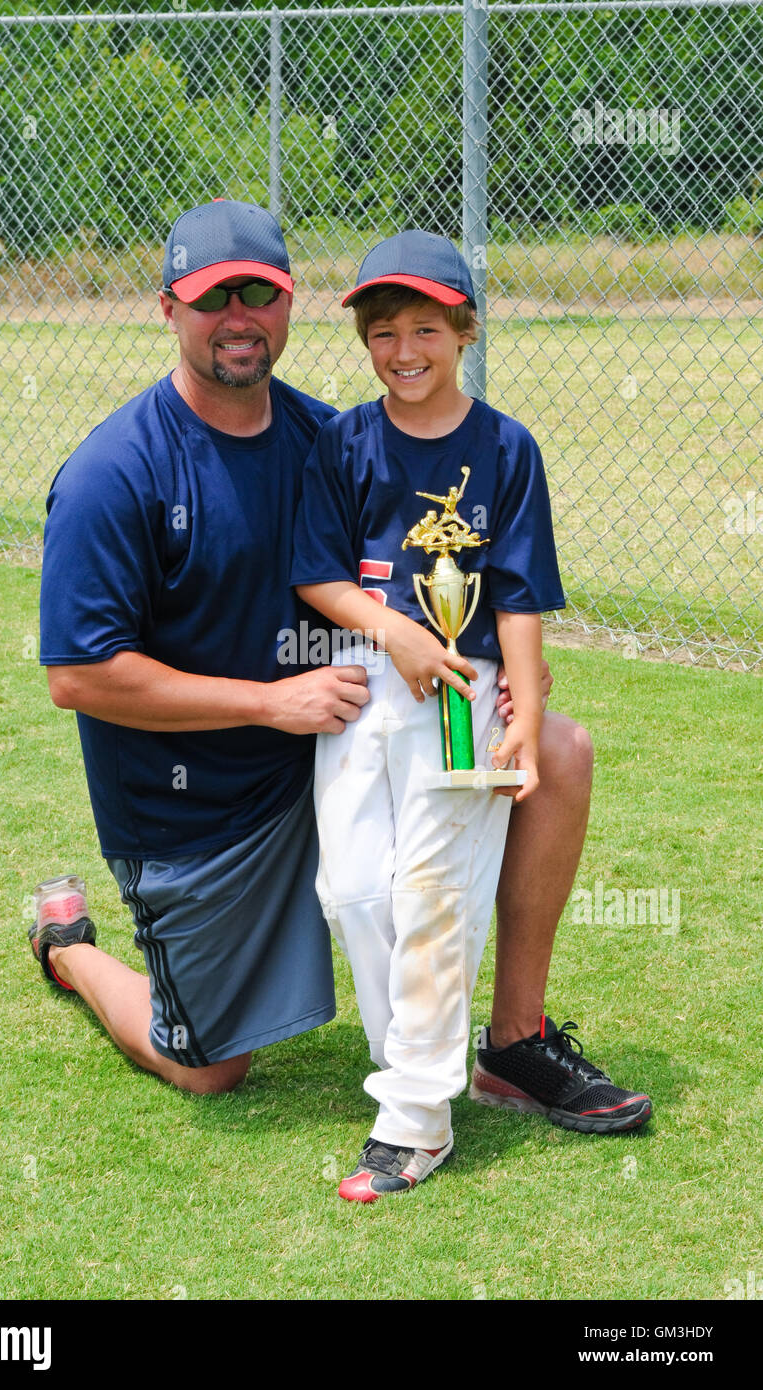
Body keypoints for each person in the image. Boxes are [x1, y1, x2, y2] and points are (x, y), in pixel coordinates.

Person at [29, 200, 643, 1151]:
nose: (238, 315)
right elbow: (80, 677)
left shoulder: (337, 439)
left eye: (260, 294)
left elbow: (464, 569)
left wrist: (509, 672)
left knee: (555, 752)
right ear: (166, 310)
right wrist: (272, 703)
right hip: (204, 812)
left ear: (288, 305)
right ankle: (70, 952)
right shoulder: (117, 470)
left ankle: (513, 1041)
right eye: (210, 298)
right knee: (206, 1066)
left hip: (335, 748)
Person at [292, 230, 650, 1204]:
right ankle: (420, 1060)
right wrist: (391, 634)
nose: (403, 351)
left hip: (465, 687)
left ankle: (412, 1120)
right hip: (368, 678)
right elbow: (319, 571)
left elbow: (521, 596)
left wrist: (524, 719)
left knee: (433, 898)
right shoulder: (346, 441)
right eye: (382, 333)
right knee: (356, 894)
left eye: (423, 328)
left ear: (464, 328)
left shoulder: (503, 447)